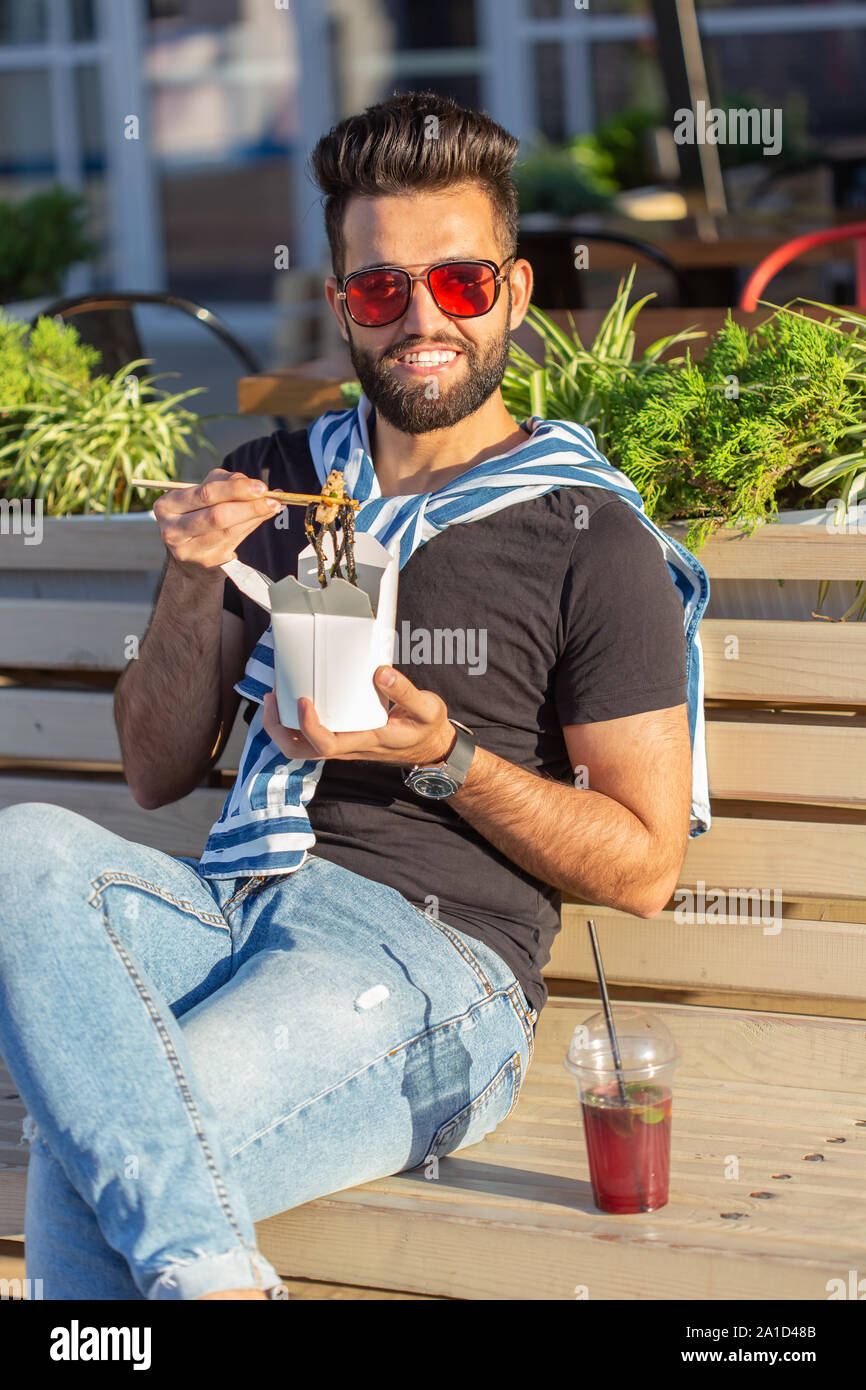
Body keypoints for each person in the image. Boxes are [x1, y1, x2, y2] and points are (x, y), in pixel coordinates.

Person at [0, 92, 707, 1301]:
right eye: (380, 289)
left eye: (460, 283)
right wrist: (188, 577)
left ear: (515, 294)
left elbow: (643, 868)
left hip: (432, 957)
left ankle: (198, 1273)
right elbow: (157, 770)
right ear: (341, 306)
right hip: (230, 909)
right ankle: (213, 1276)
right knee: (22, 850)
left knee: (98, 1154)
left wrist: (445, 757)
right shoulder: (275, 485)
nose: (422, 316)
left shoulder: (586, 533)